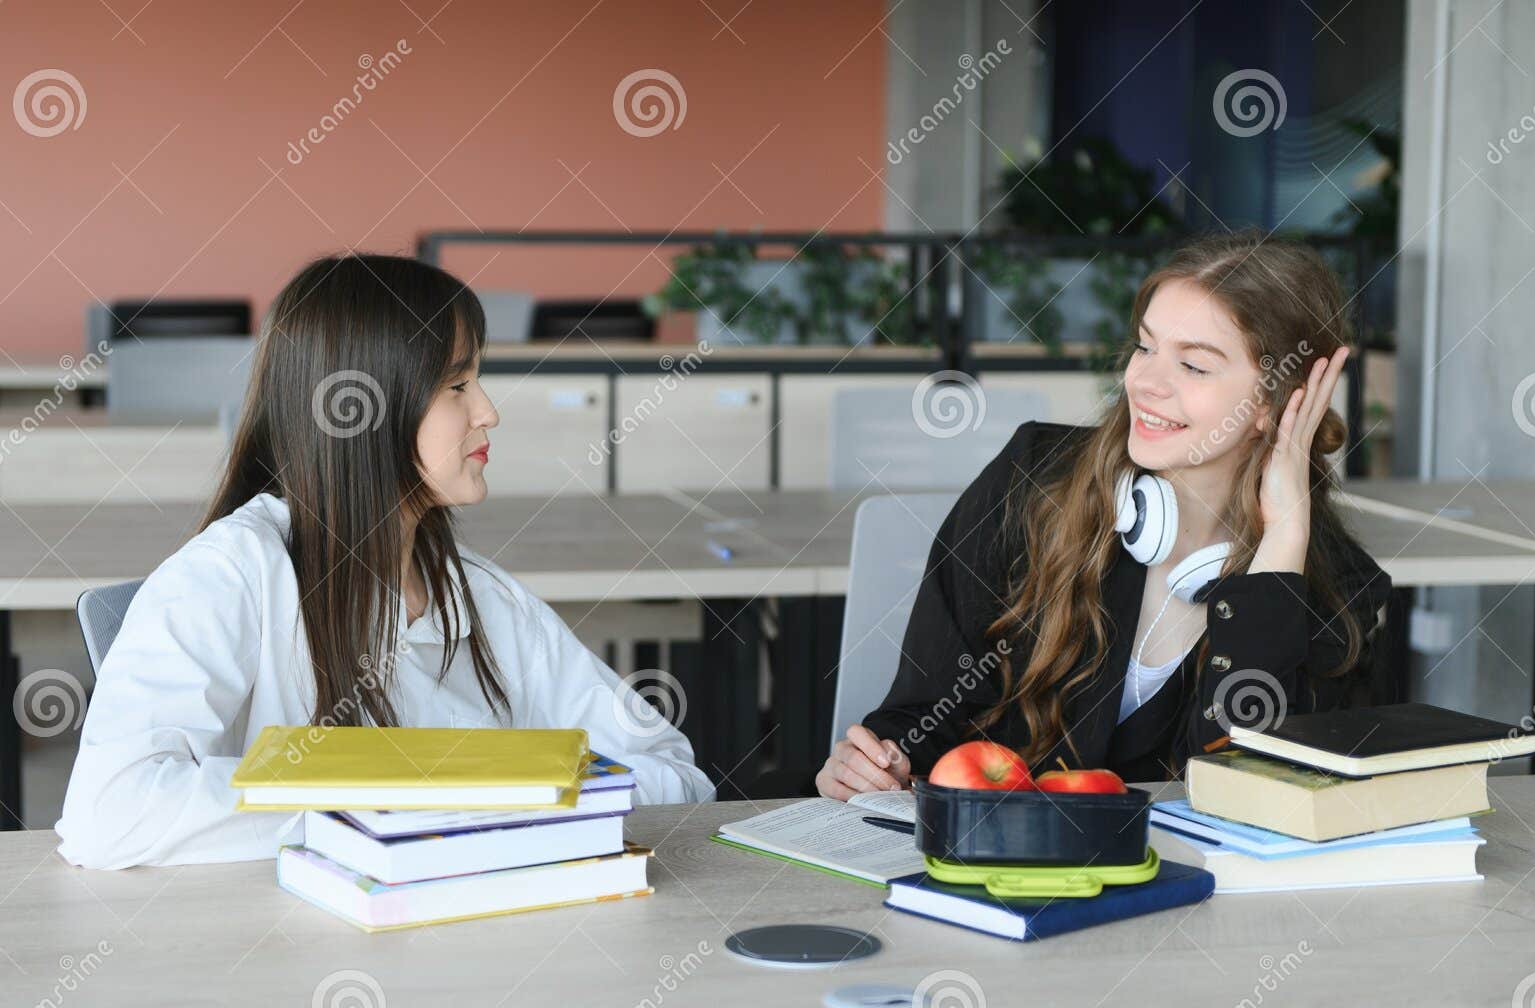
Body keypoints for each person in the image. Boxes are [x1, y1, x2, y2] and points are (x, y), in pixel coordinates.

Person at [57, 255, 713, 869]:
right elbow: (106, 809)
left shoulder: (477, 593)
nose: (489, 411)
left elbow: (674, 770)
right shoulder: (232, 574)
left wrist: (526, 791)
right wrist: (402, 800)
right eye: (457, 384)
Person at [819, 230, 1393, 799]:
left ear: (1273, 404)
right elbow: (925, 713)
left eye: (1193, 366)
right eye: (1146, 347)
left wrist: (1281, 550)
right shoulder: (1032, 480)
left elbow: (1252, 795)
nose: (1144, 381)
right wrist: (877, 763)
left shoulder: (1338, 592)